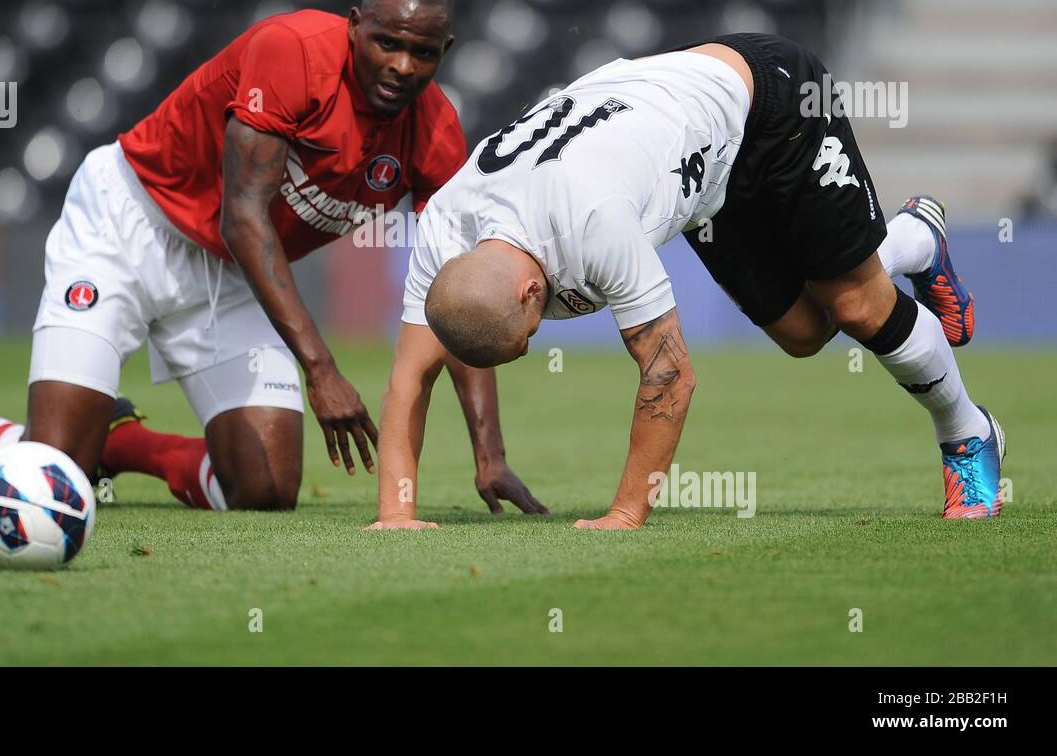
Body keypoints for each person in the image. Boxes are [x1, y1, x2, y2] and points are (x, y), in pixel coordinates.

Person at [0, 0, 546, 516]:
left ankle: (120, 444)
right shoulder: (292, 52)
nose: (401, 67)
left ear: (446, 50)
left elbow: (461, 297)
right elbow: (244, 216)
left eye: (424, 53)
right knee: (52, 473)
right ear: (355, 23)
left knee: (264, 491)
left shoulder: (436, 133)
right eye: (387, 43)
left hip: (234, 278)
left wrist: (491, 455)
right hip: (131, 225)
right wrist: (320, 368)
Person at [366, 33, 1002, 531]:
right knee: (806, 332)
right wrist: (397, 510)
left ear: (532, 292)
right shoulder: (447, 225)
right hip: (697, 169)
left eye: (522, 341)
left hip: (771, 103)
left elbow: (669, 375)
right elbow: (410, 374)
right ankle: (914, 238)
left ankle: (967, 434)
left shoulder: (594, 223)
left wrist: (626, 512)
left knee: (857, 306)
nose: (531, 350)